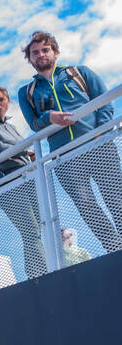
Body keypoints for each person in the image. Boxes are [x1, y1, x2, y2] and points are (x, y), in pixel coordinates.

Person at [17, 30, 122, 253]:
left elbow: (105, 103)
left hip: (99, 145)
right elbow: (34, 124)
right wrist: (49, 117)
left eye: (45, 50)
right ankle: (115, 248)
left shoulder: (79, 72)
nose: (41, 55)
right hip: (65, 158)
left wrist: (99, 132)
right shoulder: (27, 92)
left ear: (56, 52)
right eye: (35, 53)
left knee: (116, 197)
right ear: (30, 59)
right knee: (87, 207)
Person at [0, 85, 46, 279]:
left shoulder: (11, 127)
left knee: (38, 227)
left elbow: (22, 151)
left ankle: (36, 274)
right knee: (30, 228)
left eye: (1, 99)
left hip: (28, 178)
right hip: (7, 180)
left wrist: (33, 159)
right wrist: (26, 147)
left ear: (8, 102)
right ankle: (41, 273)